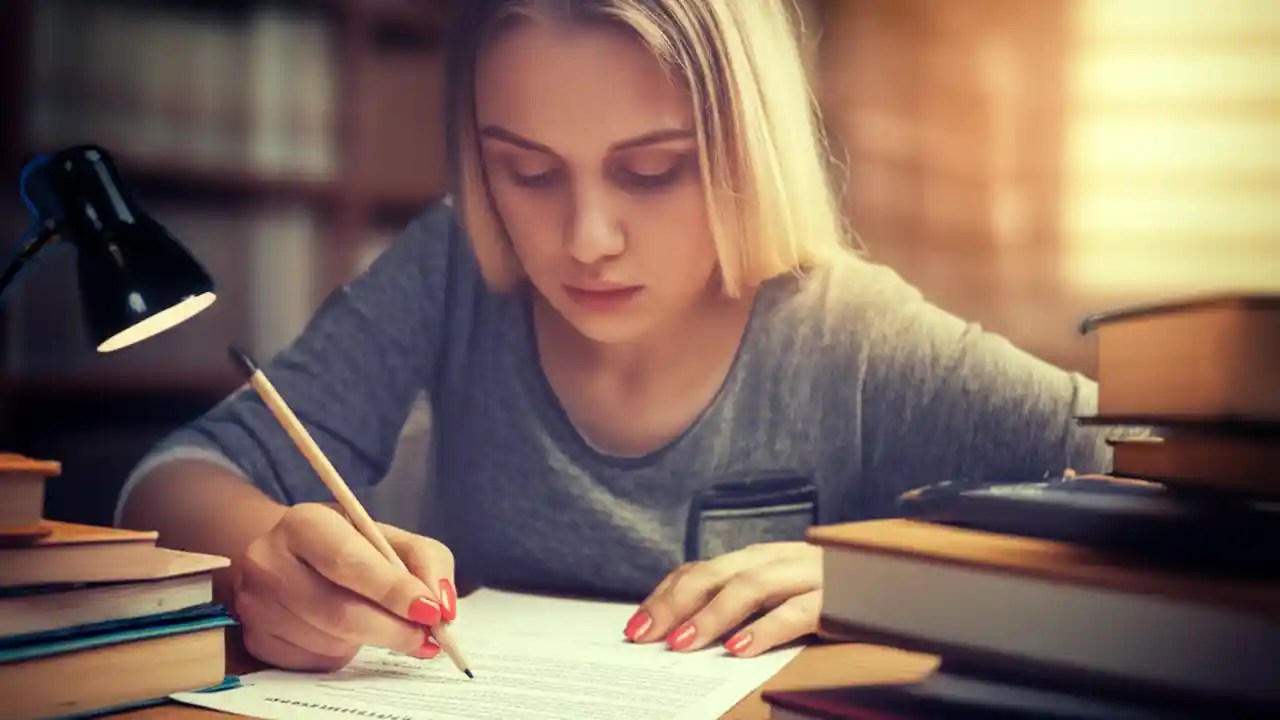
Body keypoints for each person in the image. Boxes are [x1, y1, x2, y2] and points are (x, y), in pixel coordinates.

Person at [117, 0, 1110, 673]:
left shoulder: (859, 341)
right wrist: (268, 557)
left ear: (747, 150)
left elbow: (1202, 511)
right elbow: (175, 476)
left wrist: (900, 581)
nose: (585, 240)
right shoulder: (457, 266)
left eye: (650, 171)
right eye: (529, 172)